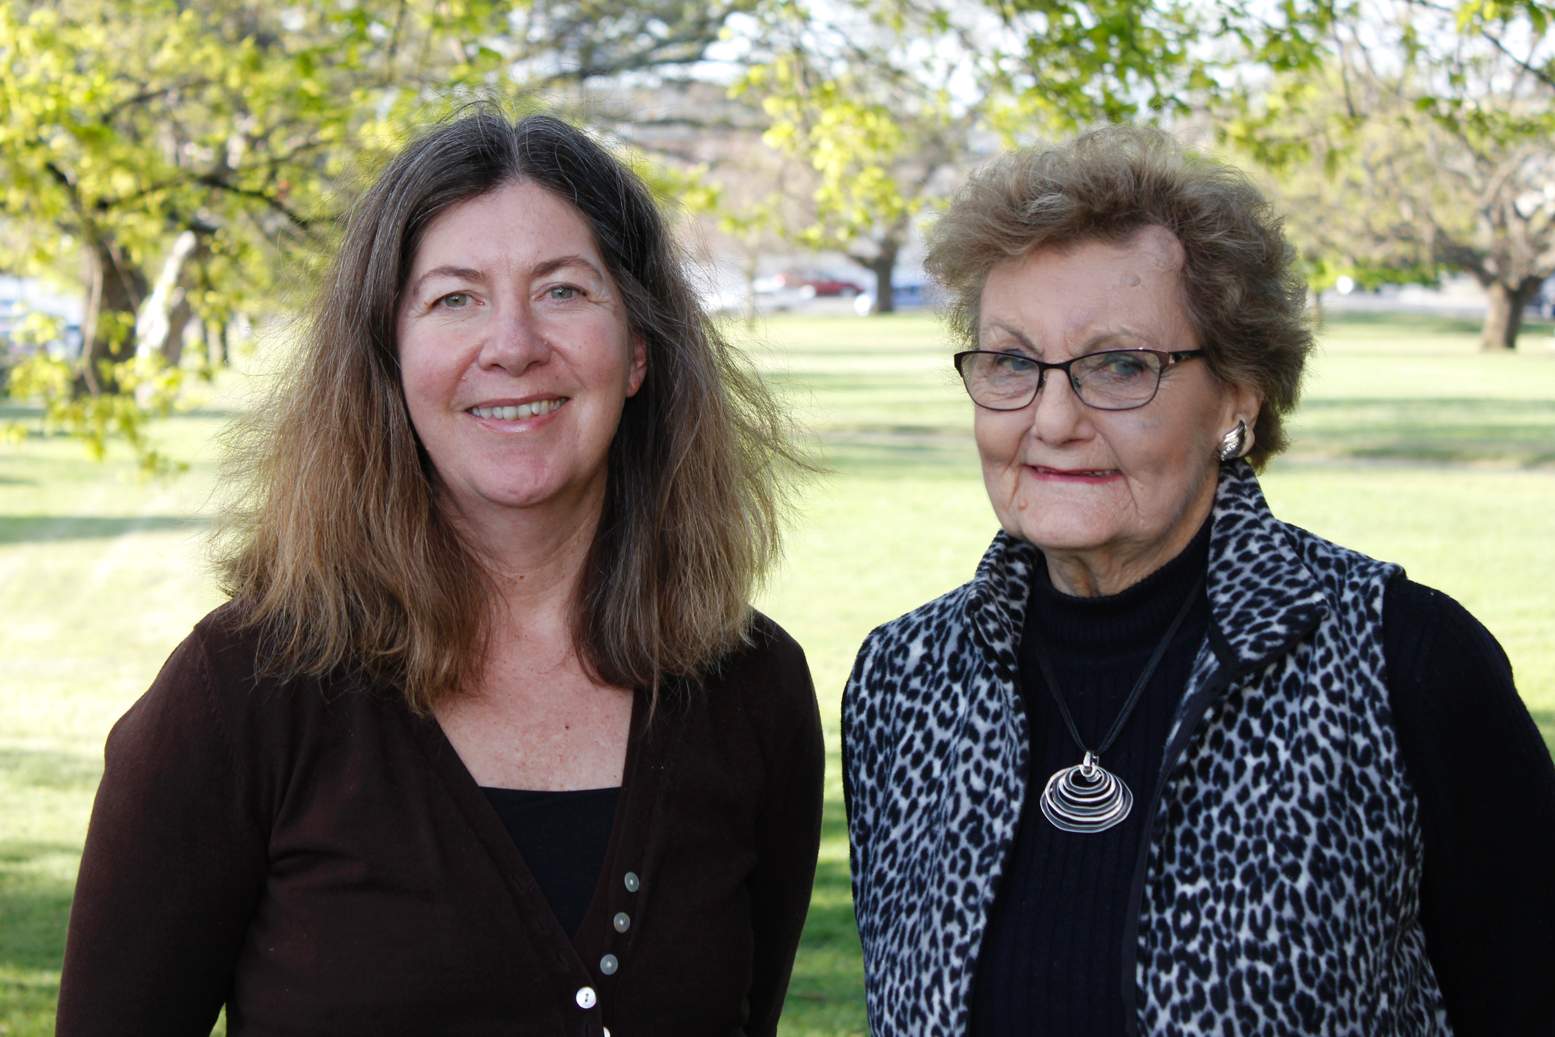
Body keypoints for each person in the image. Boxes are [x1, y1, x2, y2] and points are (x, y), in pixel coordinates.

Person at [58, 110, 824, 1036]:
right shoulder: (242, 694)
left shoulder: (750, 688)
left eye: (564, 291)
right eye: (453, 298)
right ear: (391, 357)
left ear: (638, 351)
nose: (511, 344)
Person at [842, 126, 1555, 1037]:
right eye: (1013, 362)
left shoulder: (1400, 662)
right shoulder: (904, 681)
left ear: (1238, 396)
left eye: (1119, 366)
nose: (1051, 419)